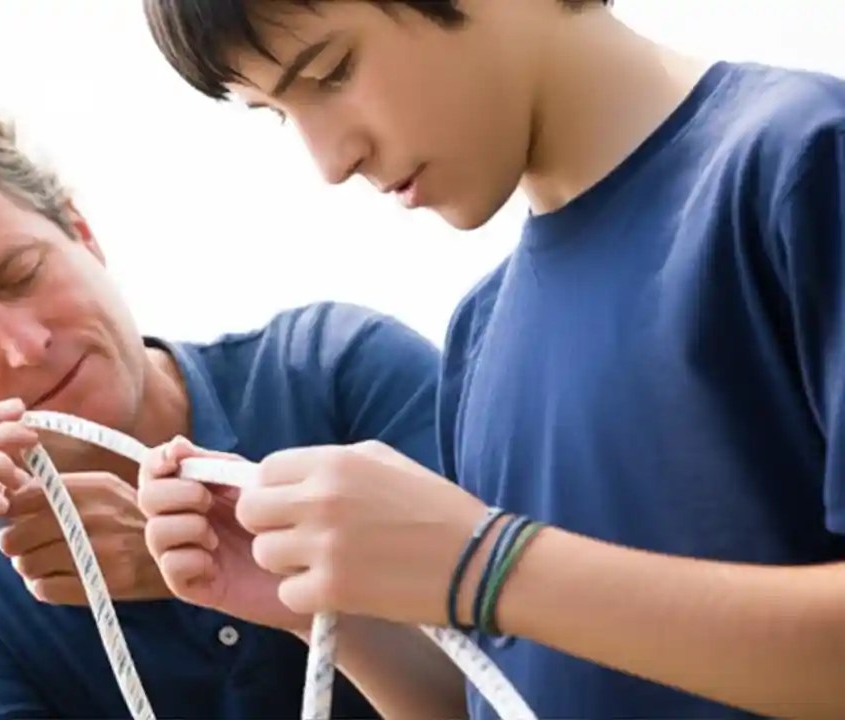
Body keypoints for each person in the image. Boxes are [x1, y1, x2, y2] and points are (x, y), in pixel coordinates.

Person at [136, 1, 845, 718]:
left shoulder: (801, 163)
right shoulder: (480, 337)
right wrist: (325, 609)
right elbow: (499, 695)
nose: (330, 161)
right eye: (277, 114)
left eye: (333, 72)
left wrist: (488, 565)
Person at [0, 101, 453, 719]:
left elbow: (506, 674)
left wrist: (259, 573)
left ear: (82, 234)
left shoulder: (331, 374)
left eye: (22, 275)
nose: (25, 345)